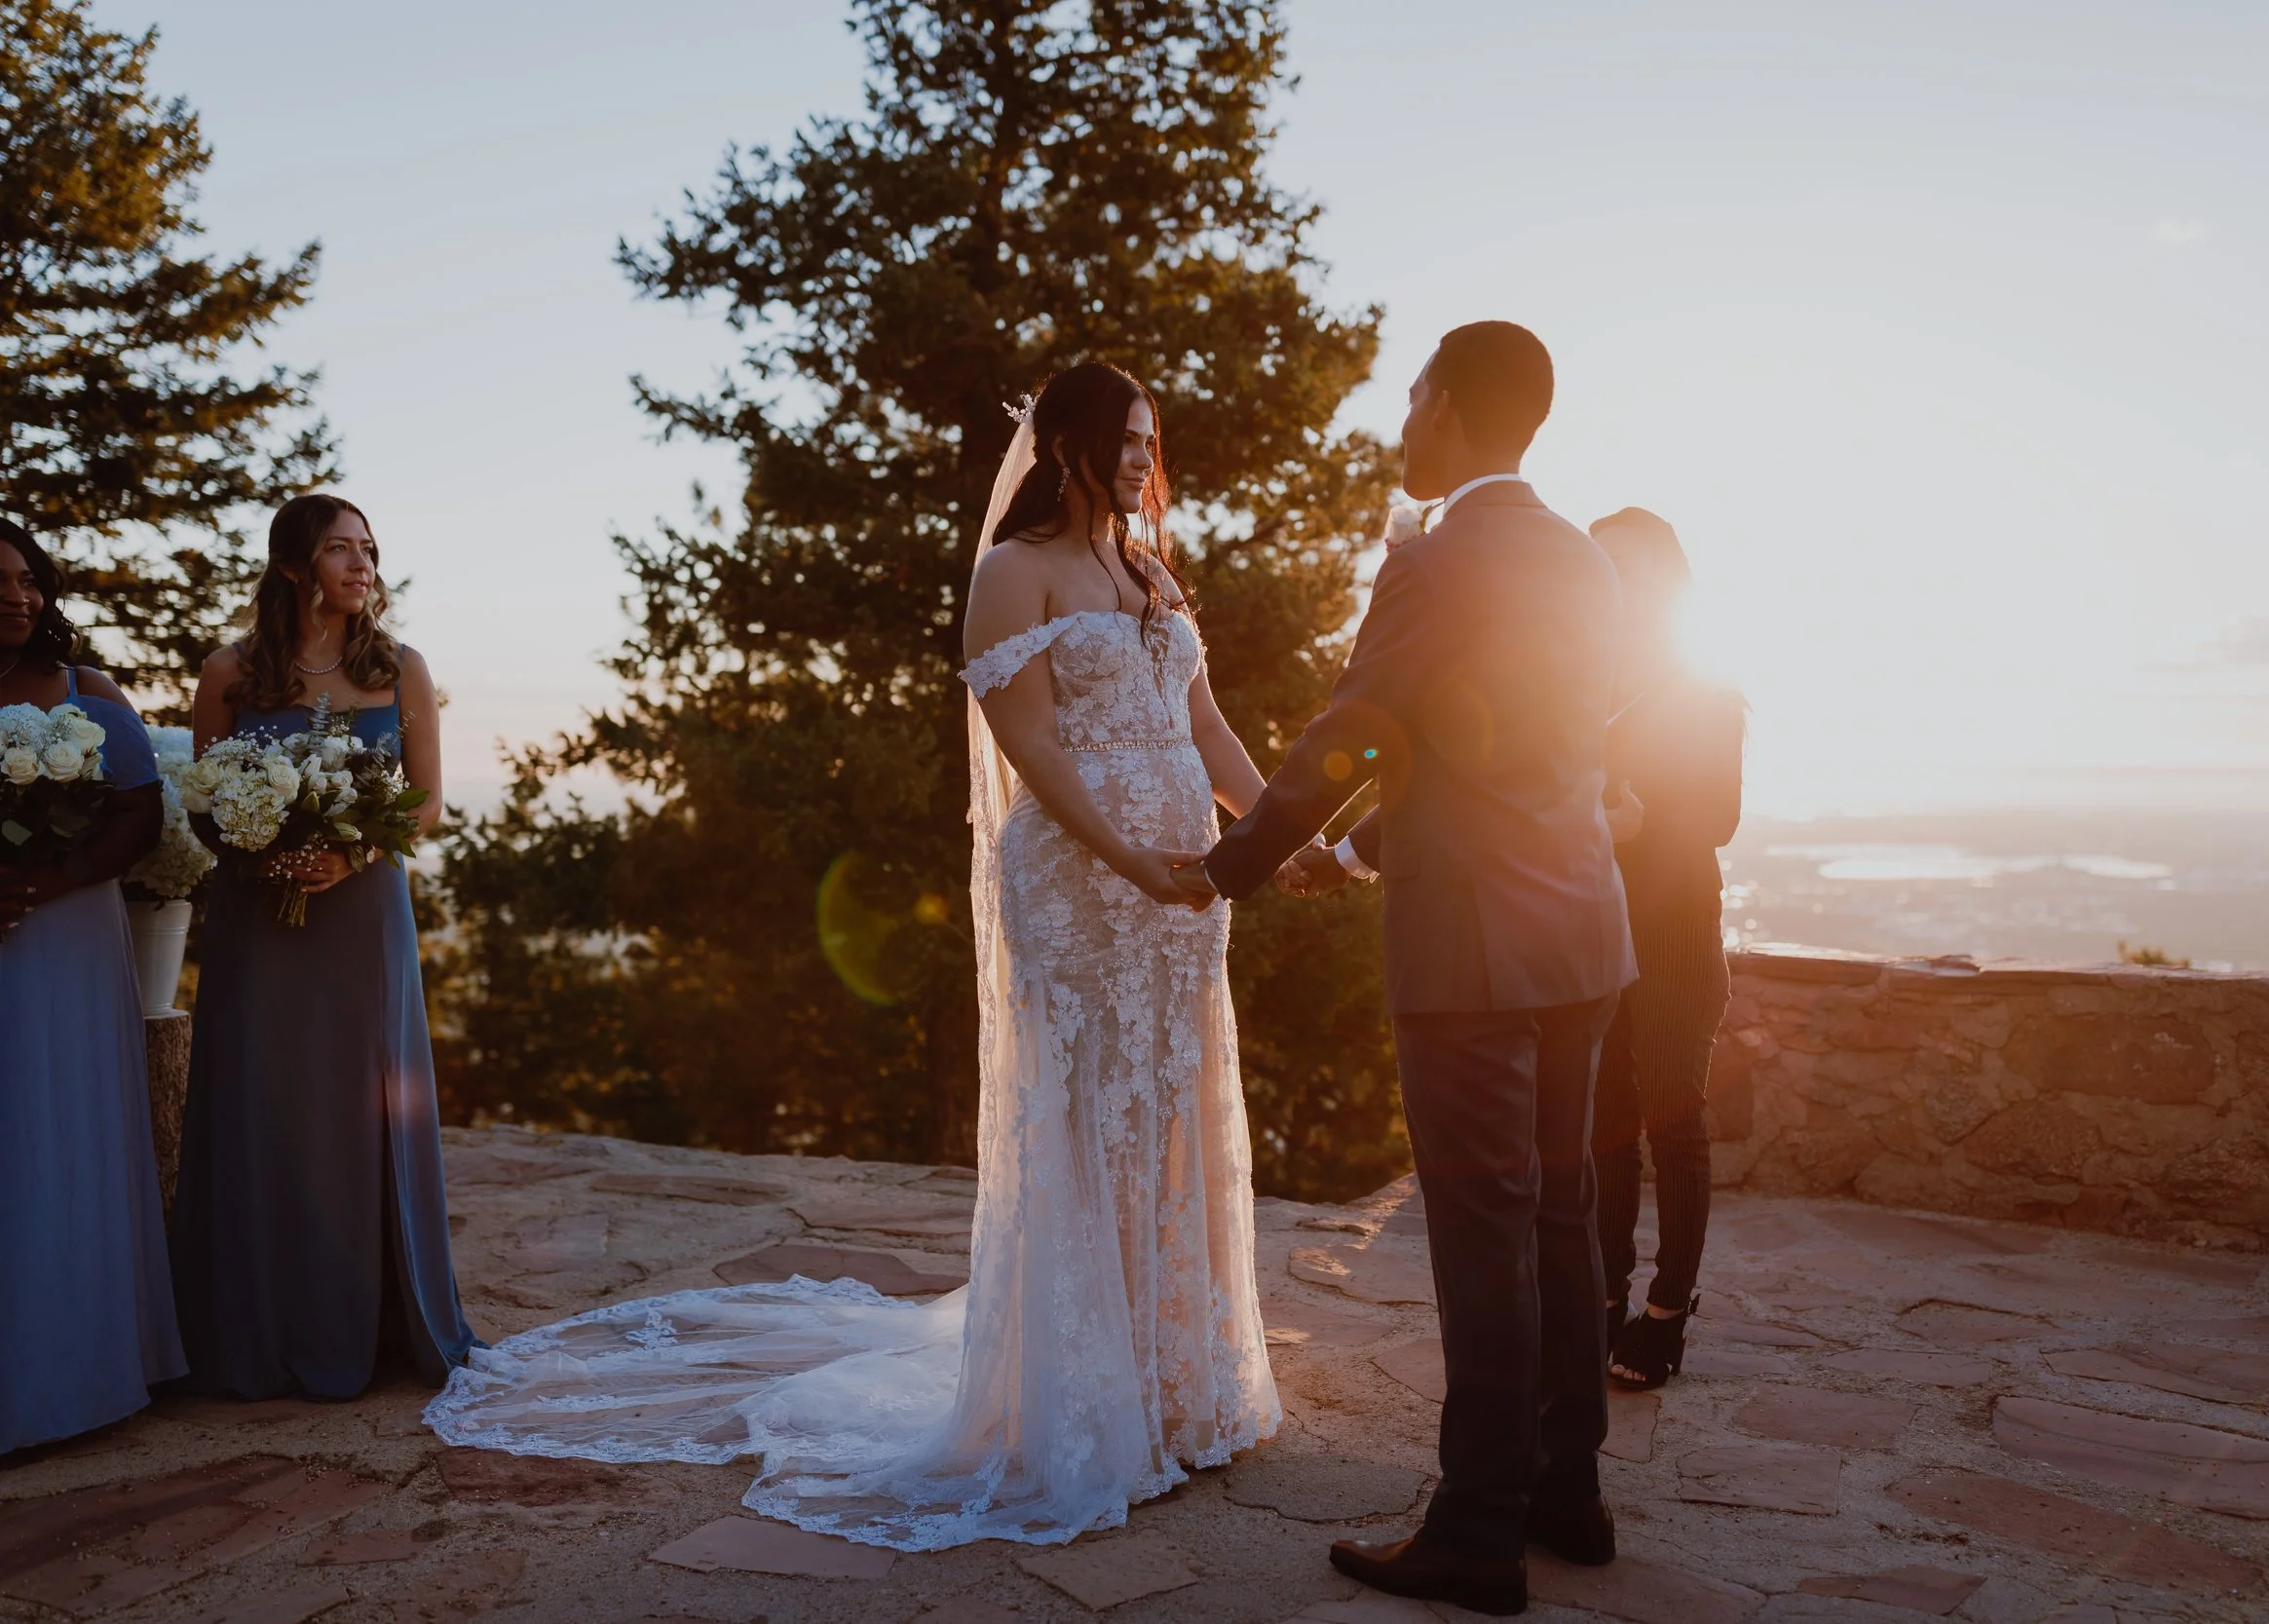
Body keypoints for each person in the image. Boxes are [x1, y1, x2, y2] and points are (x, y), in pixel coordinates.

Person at [424, 362, 1280, 1551]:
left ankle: (1175, 1377)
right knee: (1086, 1120)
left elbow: (1204, 725)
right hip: (1085, 889)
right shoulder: (1011, 572)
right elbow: (1029, 744)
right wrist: (1131, 857)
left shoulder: (1150, 574)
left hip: (1183, 901)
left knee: (1169, 1114)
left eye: (1150, 438)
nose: (1142, 456)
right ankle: (1085, 1398)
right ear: (1068, 444)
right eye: (1121, 437)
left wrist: (1287, 833)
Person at [1179, 321, 1634, 1618]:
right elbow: (1519, 743)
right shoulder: (1588, 557)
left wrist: (1239, 861)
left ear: (1455, 407)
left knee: (1487, 1234)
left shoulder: (1434, 557)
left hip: (1476, 950)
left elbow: (1356, 726)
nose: (1404, 417)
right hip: (1583, 934)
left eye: (1416, 393)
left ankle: (1479, 1529)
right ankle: (1569, 1494)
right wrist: (1368, 849)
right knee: (1560, 1217)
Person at [170, 493, 476, 1399]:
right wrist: (262, 843)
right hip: (258, 920)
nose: (362, 566)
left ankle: (374, 1321)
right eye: (341, 549)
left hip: (364, 911)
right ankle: (252, 1332)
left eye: (370, 550)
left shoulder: (400, 667)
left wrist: (351, 852)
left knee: (360, 1105)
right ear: (295, 564)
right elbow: (204, 799)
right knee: (258, 1098)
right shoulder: (229, 671)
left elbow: (425, 803)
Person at [0, 517, 186, 1452]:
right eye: (0, 580)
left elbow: (137, 818)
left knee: (59, 1131)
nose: (19, 595)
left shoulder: (88, 690)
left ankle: (78, 1366)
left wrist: (37, 881)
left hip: (65, 935)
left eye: (30, 578)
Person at [1585, 508, 1742, 1390]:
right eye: (1600, 566)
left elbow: (1719, 815)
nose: (1616, 582)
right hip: (1597, 919)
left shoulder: (1704, 685)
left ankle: (1667, 1309)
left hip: (1677, 923)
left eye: (1630, 567)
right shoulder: (1582, 677)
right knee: (1605, 1124)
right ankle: (1604, 1298)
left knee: (1674, 1120)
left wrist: (1640, 818)